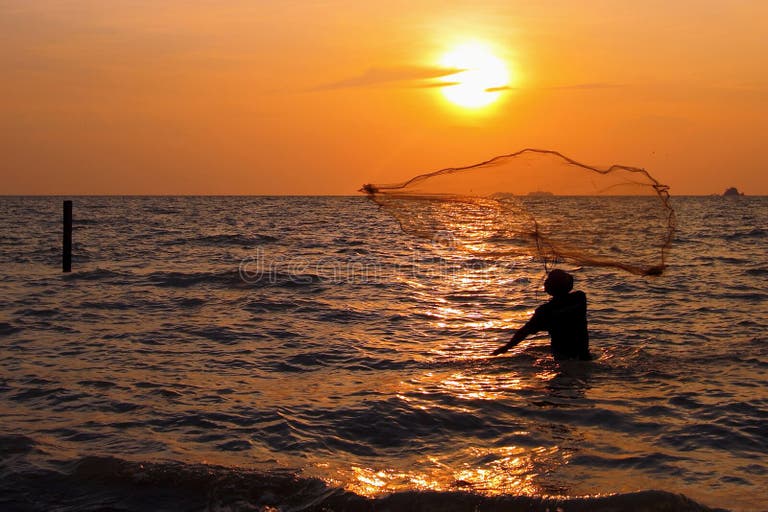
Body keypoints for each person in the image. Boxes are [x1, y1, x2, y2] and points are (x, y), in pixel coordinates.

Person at [492, 269, 592, 361]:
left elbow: (525, 331)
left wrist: (507, 347)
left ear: (549, 288)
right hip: (584, 356)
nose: (545, 282)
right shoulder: (579, 298)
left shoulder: (545, 311)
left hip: (562, 357)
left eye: (548, 281)